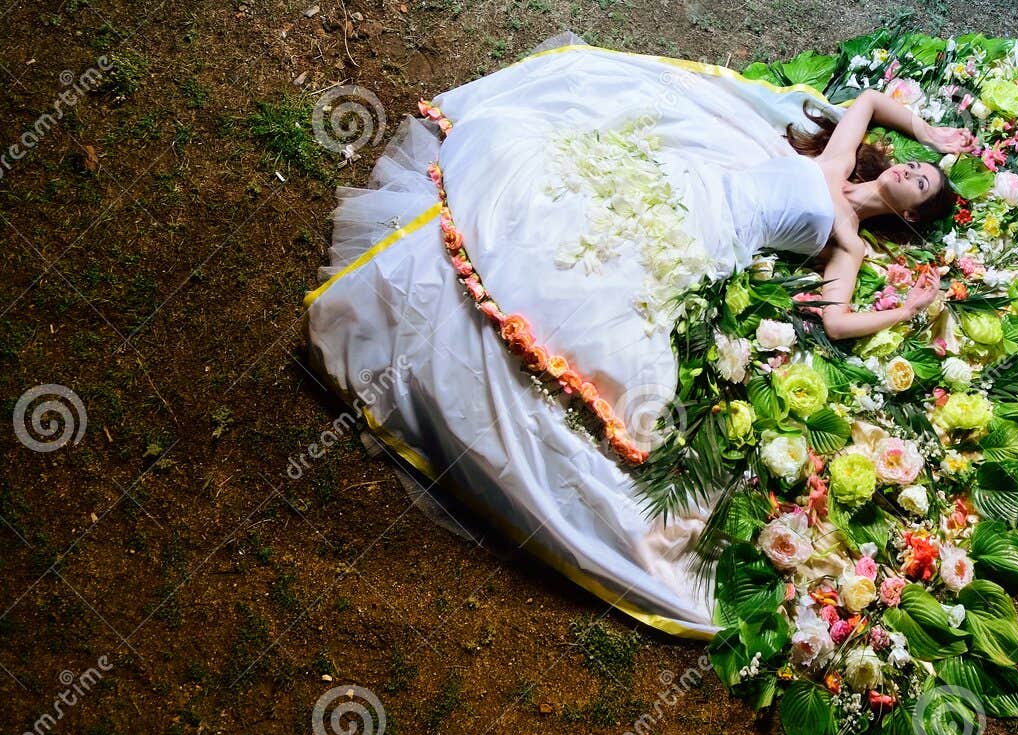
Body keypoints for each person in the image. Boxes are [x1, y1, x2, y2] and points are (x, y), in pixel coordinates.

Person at [304, 39, 969, 637]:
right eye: (916, 167)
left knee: (592, 297)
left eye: (920, 185)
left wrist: (903, 310)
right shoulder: (839, 158)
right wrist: (928, 130)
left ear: (910, 214)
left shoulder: (848, 242)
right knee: (554, 179)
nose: (909, 173)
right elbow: (869, 102)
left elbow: (835, 319)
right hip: (690, 186)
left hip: (708, 240)